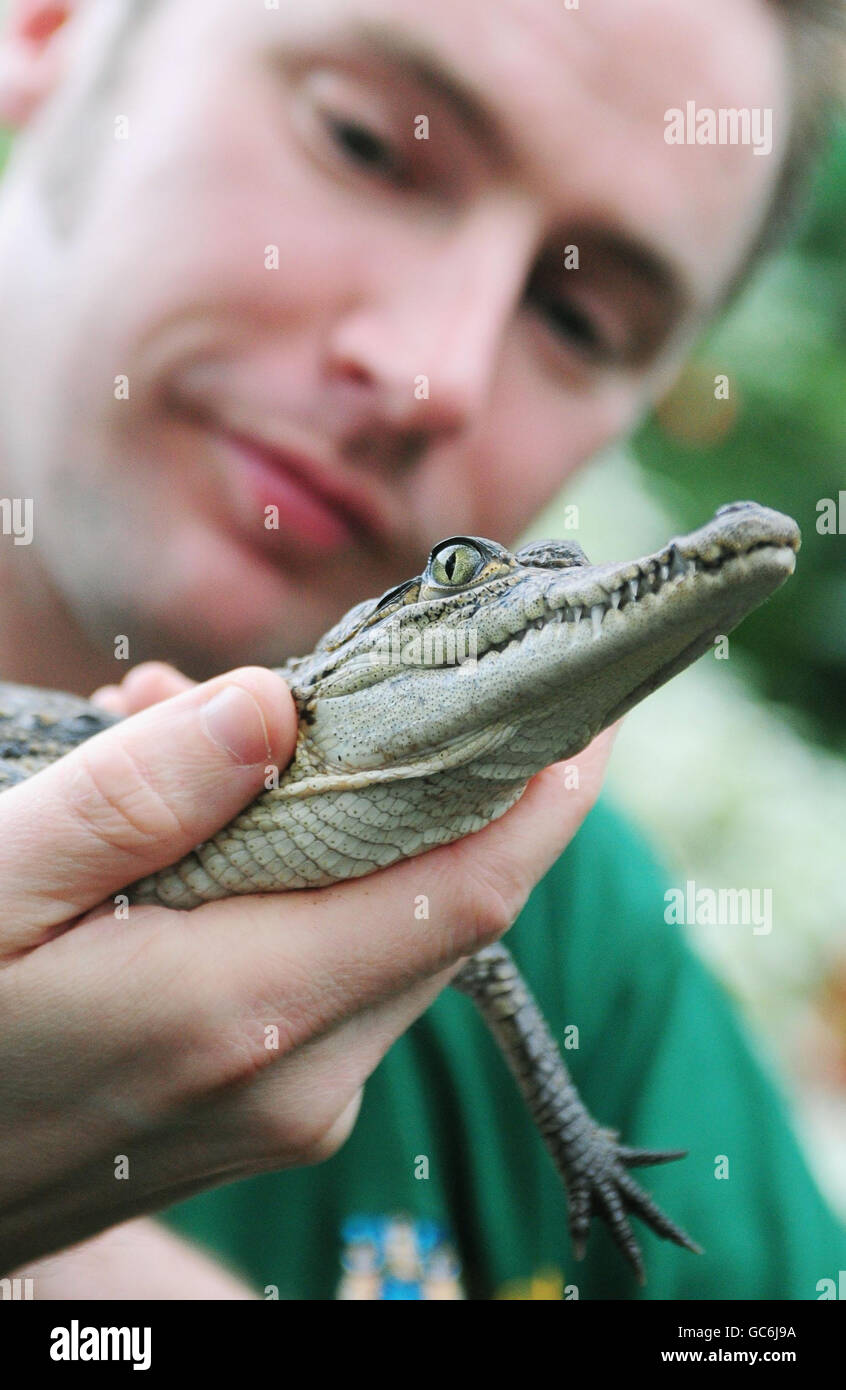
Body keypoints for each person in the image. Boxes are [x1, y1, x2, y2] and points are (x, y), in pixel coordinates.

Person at [0, 0, 843, 1299]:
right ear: (49, 23)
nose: (428, 374)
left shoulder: (558, 921)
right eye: (365, 143)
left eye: (576, 319)